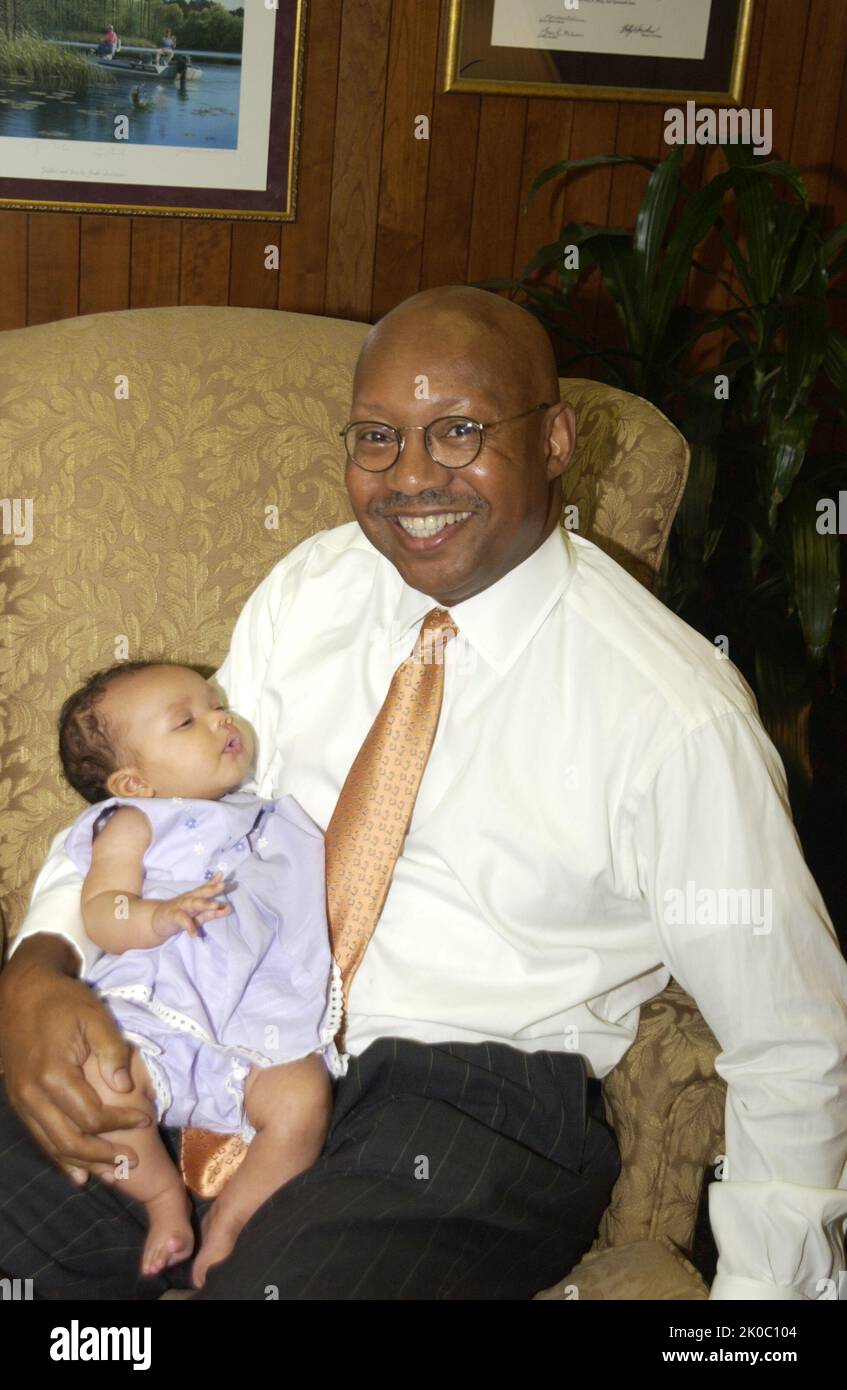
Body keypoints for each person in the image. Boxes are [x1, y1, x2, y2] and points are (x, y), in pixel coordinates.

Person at [1, 285, 845, 1302]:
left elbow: (793, 1036)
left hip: (473, 1101)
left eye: (457, 432)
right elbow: (169, 815)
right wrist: (39, 972)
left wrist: (762, 1313)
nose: (409, 478)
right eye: (376, 437)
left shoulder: (673, 715)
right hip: (218, 1034)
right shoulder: (313, 589)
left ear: (557, 440)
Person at [47, 659, 340, 1290]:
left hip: (256, 1012)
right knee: (105, 1085)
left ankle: (234, 1220)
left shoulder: (268, 814)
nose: (220, 720)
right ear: (134, 782)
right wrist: (156, 916)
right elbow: (102, 911)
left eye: (216, 704)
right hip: (160, 997)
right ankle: (160, 1200)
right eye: (187, 721)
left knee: (303, 1100)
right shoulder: (135, 822)